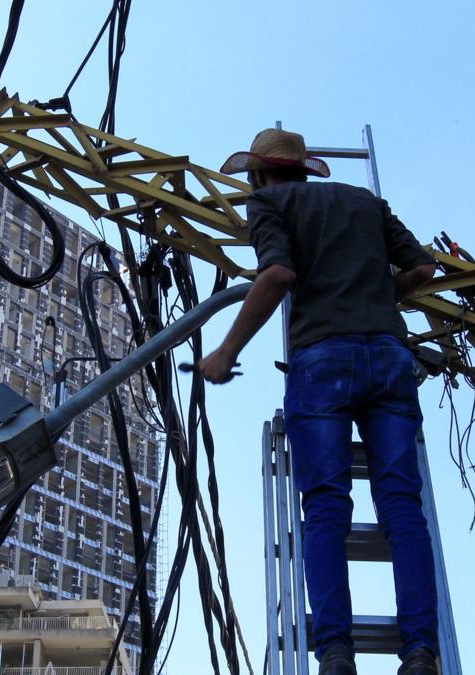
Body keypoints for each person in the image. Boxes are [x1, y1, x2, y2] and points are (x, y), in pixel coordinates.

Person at [198, 128, 440, 675]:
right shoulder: (365, 201)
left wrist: (226, 350)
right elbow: (423, 269)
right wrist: (377, 296)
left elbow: (278, 272)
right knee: (402, 507)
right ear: (303, 168)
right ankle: (421, 650)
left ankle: (335, 651)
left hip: (323, 361)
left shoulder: (267, 202)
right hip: (388, 355)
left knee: (327, 507)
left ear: (258, 173)